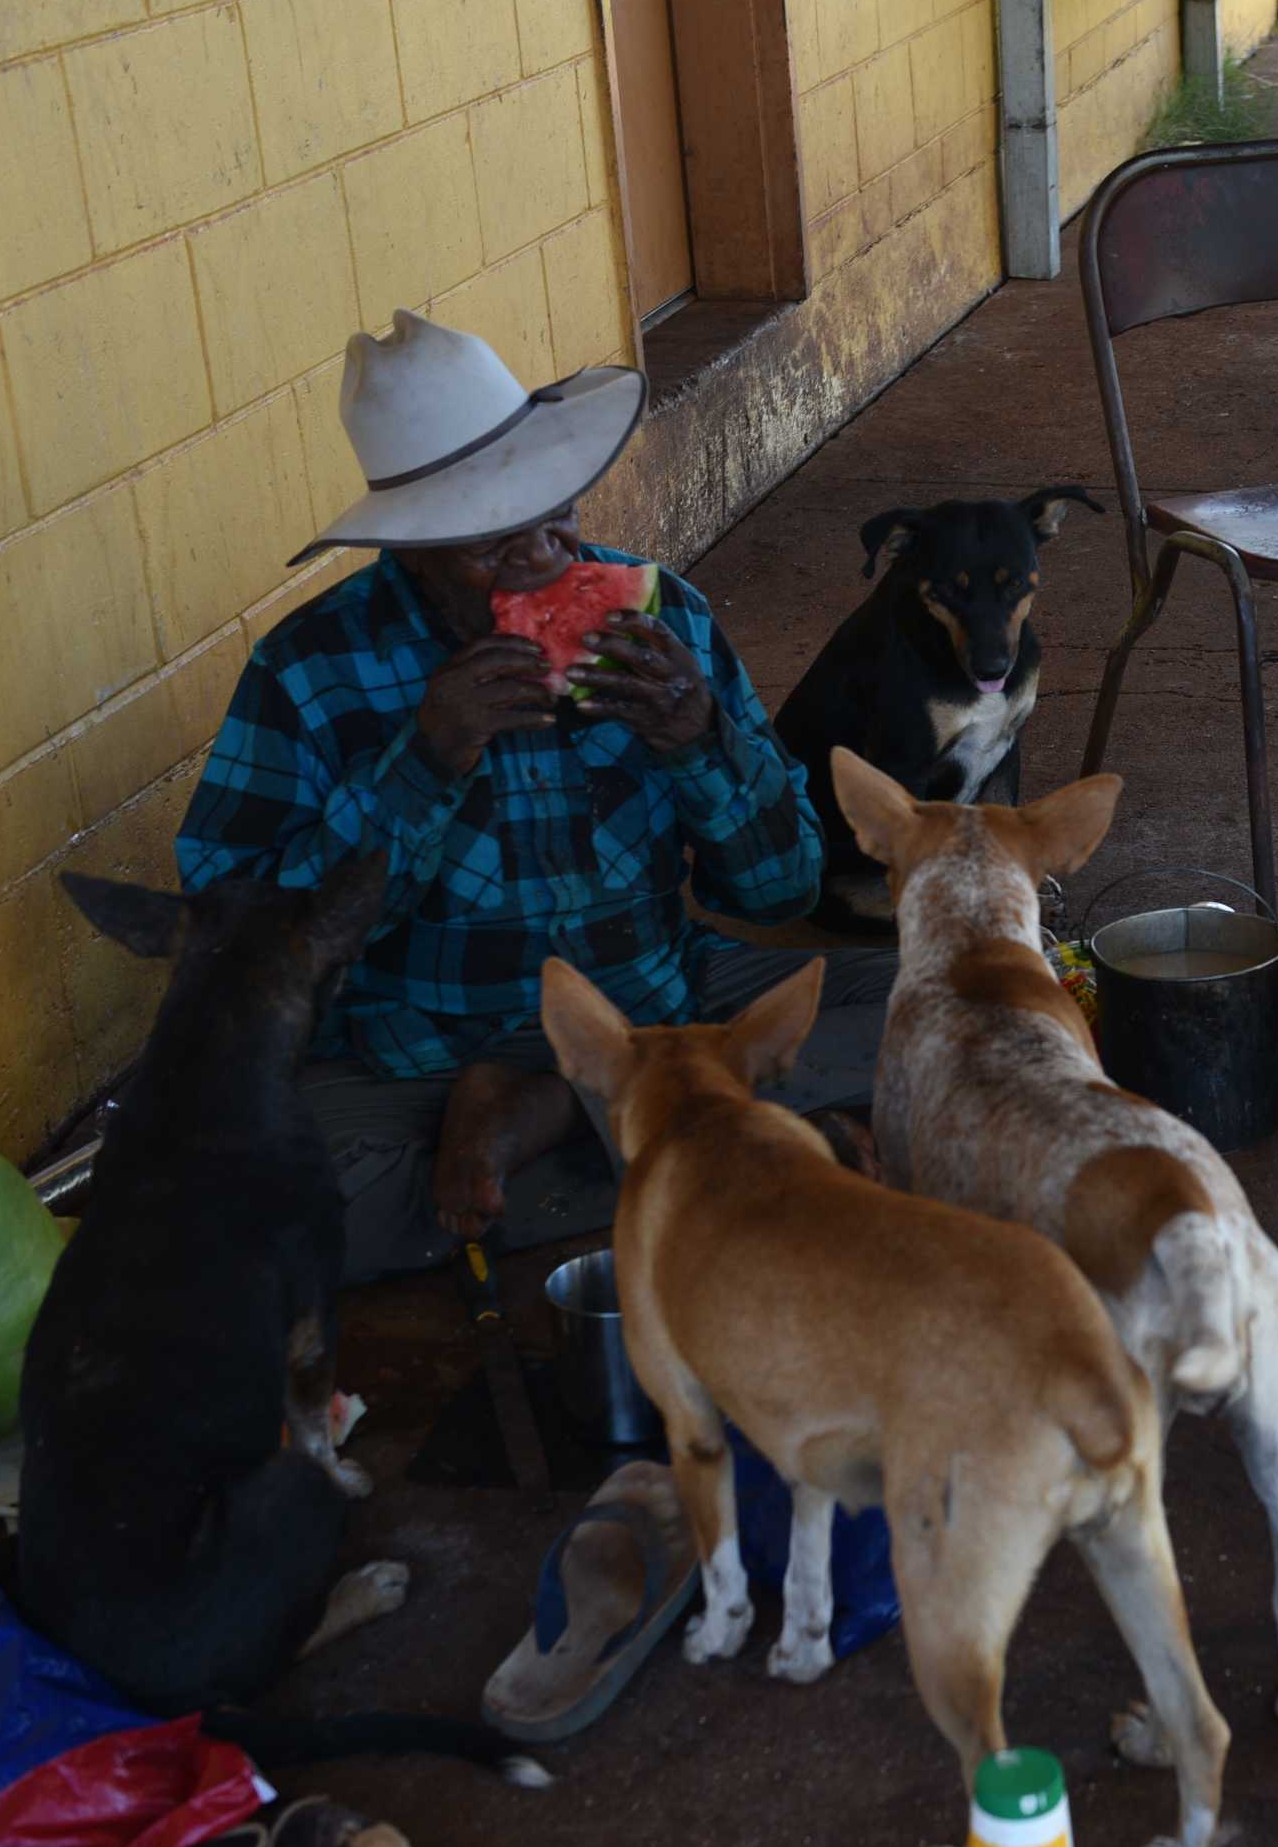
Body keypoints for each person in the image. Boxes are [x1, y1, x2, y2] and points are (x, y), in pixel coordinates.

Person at [178, 313, 892, 1281]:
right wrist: (422, 763)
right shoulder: (309, 669)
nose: (547, 556)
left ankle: (553, 1113)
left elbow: (783, 892)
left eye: (553, 508)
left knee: (951, 1005)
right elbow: (236, 934)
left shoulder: (665, 611)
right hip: (423, 1051)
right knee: (244, 1207)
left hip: (660, 1006)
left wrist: (700, 743)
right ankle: (715, 1149)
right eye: (491, 543)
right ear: (412, 550)